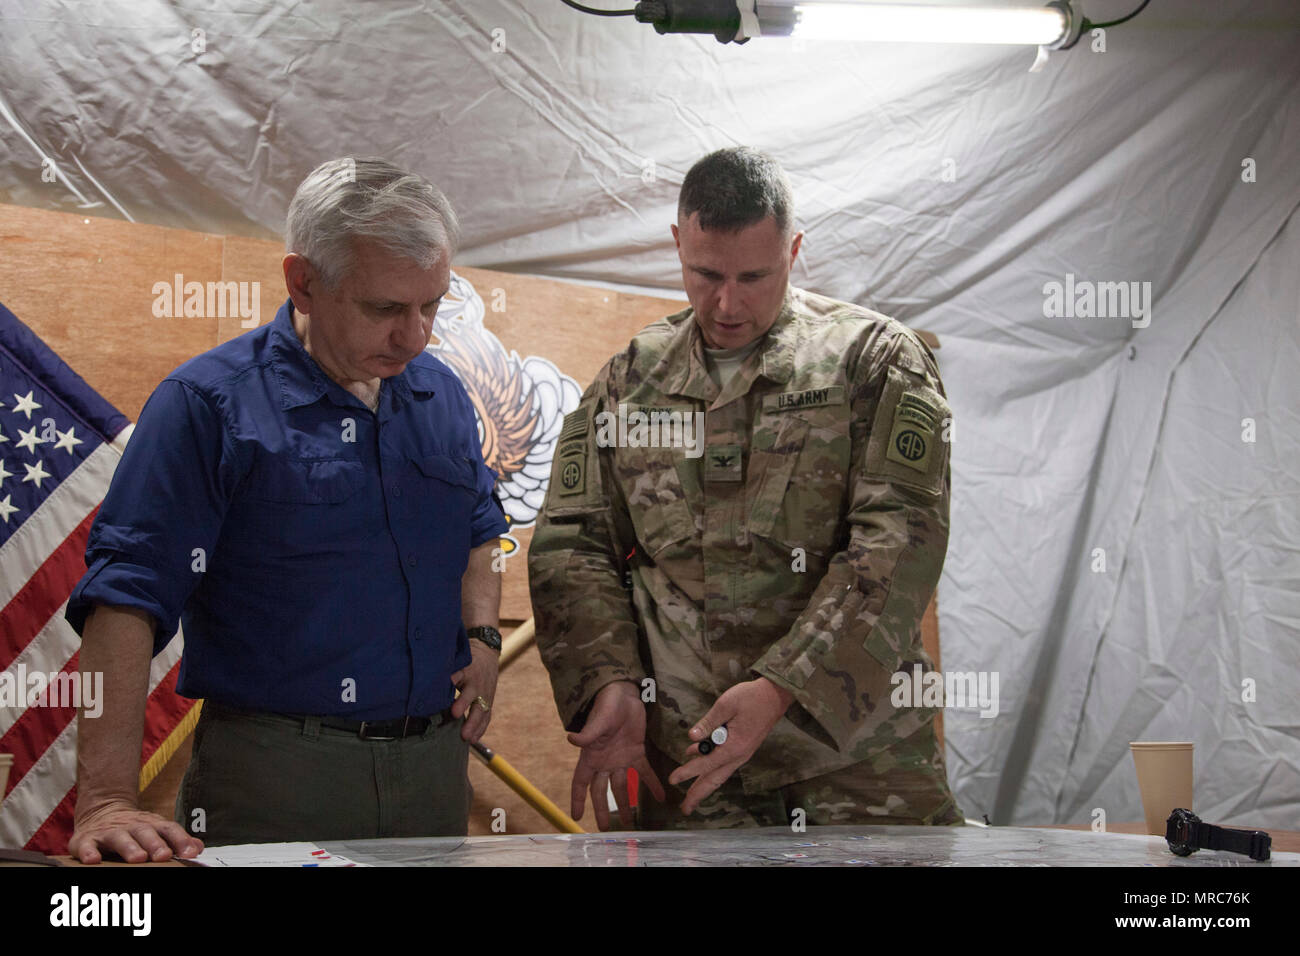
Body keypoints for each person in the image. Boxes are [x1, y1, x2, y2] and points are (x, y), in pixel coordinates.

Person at [64, 158, 509, 863]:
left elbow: (481, 535)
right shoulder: (208, 405)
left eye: (433, 305)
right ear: (303, 282)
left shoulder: (442, 395)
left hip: (434, 775)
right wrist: (106, 801)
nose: (416, 336)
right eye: (387, 308)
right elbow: (123, 603)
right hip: (276, 779)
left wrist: (483, 638)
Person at [529, 146, 963, 830]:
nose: (727, 303)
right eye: (704, 274)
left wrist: (784, 684)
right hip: (685, 773)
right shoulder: (629, 382)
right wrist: (609, 682)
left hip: (850, 772)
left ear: (794, 249)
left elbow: (897, 546)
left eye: (755, 276)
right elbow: (572, 546)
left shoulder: (871, 362)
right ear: (677, 244)